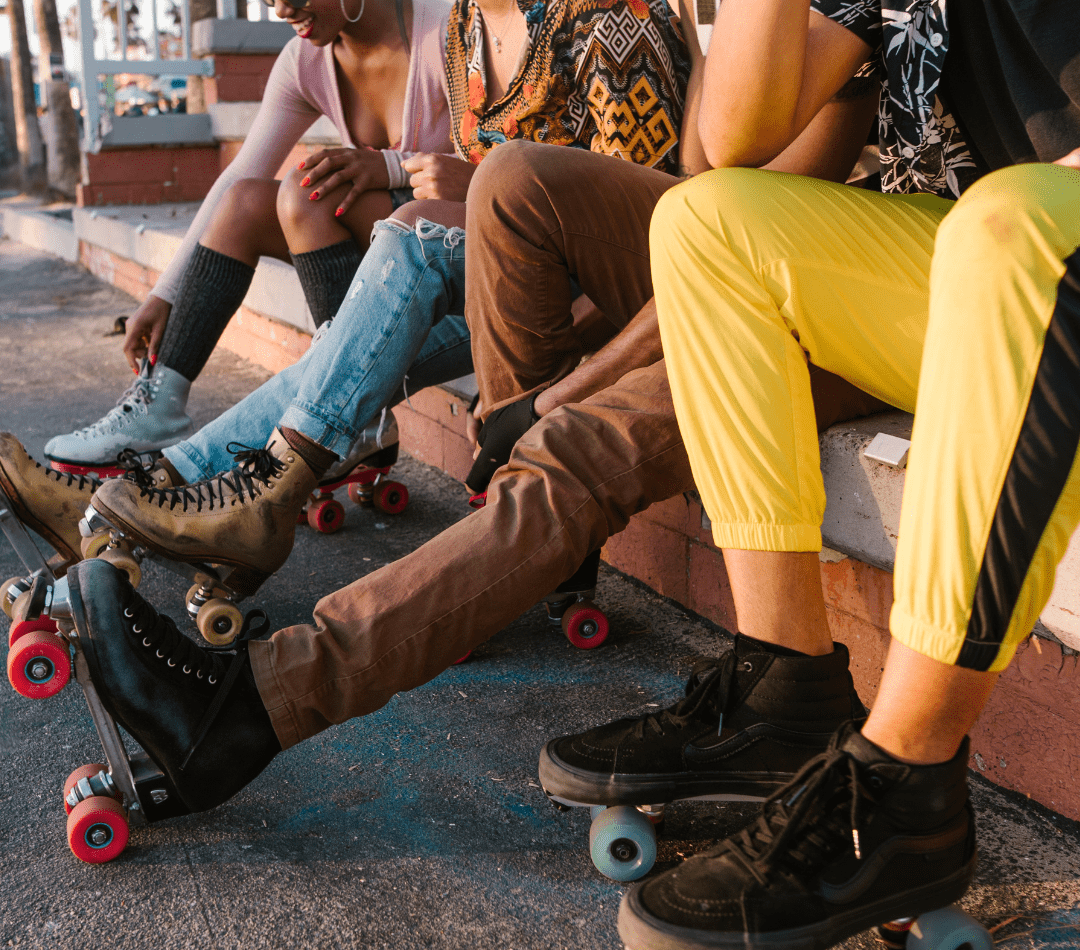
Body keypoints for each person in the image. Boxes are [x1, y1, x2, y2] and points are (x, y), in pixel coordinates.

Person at [27, 21, 892, 820]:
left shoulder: (620, 21)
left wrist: (552, 399)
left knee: (567, 437)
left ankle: (250, 703)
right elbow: (715, 172)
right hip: (782, 253)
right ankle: (238, 484)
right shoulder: (469, 30)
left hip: (845, 287)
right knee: (513, 181)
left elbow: (727, 229)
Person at [576, 0, 1080, 950]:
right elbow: (733, 140)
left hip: (1031, 239)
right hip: (1001, 259)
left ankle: (906, 786)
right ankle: (783, 691)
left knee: (1008, 226)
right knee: (708, 223)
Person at [58, 0, 695, 603]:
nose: (280, 8)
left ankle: (225, 489)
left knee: (407, 242)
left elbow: (636, 229)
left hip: (594, 291)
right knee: (356, 317)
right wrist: (166, 291)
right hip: (508, 271)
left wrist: (562, 362)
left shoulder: (606, 17)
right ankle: (170, 481)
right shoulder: (466, 24)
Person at [44, 0, 455, 475]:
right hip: (385, 242)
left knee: (310, 193)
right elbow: (241, 171)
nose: (281, 9)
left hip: (449, 240)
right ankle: (159, 406)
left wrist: (389, 166)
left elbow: (498, 162)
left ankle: (352, 415)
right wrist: (166, 294)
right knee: (244, 202)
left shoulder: (442, 28)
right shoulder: (306, 60)